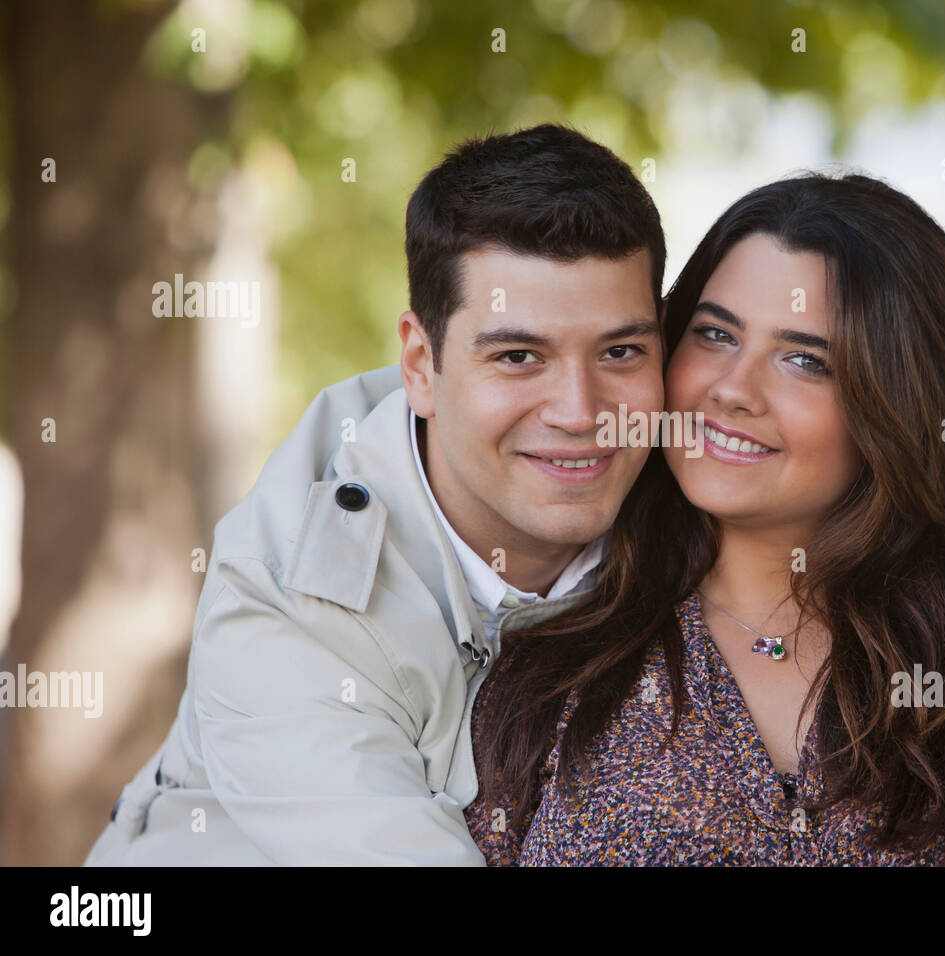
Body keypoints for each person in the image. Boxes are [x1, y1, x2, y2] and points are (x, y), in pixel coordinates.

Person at [466, 172, 945, 866]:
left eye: (805, 360)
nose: (732, 389)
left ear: (897, 399)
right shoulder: (554, 659)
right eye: (716, 334)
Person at [84, 124, 666, 865]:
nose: (581, 412)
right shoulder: (285, 597)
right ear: (421, 365)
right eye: (519, 357)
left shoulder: (695, 513)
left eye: (620, 352)